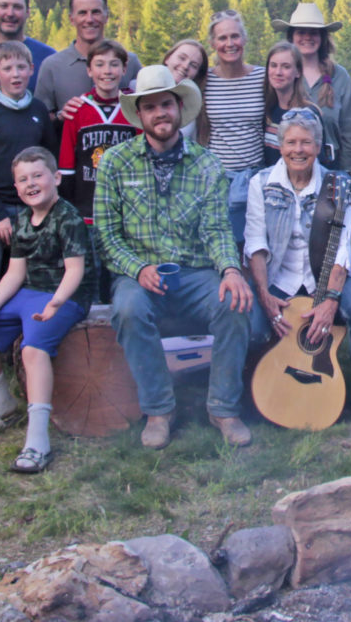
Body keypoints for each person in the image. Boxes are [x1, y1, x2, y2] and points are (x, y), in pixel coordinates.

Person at [94, 65, 254, 449]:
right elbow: (107, 236)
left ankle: (223, 407)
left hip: (195, 272)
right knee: (129, 310)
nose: (160, 113)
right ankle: (159, 409)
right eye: (150, 107)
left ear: (180, 108)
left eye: (166, 104)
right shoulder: (115, 163)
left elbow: (216, 230)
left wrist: (230, 269)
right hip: (138, 272)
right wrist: (138, 268)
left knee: (233, 302)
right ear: (141, 115)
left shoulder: (206, 164)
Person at [244, 108, 351, 422]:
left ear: (318, 147)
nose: (298, 150)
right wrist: (265, 296)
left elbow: (342, 252)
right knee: (251, 326)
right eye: (291, 142)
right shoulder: (261, 184)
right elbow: (256, 245)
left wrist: (331, 300)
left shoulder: (338, 185)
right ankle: (255, 393)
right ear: (280, 147)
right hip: (279, 277)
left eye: (306, 142)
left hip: (328, 275)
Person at [0, 147, 92, 474]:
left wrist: (56, 304)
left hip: (64, 296)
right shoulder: (22, 219)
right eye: (23, 179)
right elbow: (15, 273)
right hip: (28, 292)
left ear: (56, 178)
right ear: (16, 188)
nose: (31, 183)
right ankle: (2, 405)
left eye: (38, 175)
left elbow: (75, 271)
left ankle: (37, 441)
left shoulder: (68, 217)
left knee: (33, 350)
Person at [0, 41, 55, 312]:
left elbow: (50, 161)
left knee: (31, 281)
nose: (15, 75)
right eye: (7, 68)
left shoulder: (38, 111)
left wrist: (45, 209)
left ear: (31, 70)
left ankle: (19, 349)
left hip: (33, 210)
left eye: (21, 68)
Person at [198, 11, 266, 242]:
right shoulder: (204, 81)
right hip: (218, 179)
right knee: (224, 243)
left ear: (244, 39)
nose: (229, 44)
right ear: (213, 43)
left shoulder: (262, 77)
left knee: (256, 244)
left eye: (235, 37)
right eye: (222, 38)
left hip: (256, 177)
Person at [57, 40, 139, 225]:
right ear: (89, 70)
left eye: (114, 64)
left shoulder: (133, 109)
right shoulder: (77, 109)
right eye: (99, 64)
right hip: (85, 211)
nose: (107, 71)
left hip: (124, 212)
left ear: (124, 69)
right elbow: (66, 164)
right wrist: (69, 210)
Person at [273, 2, 351, 174]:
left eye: (314, 32)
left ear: (323, 37)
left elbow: (348, 136)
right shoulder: (280, 75)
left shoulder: (340, 77)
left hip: (330, 170)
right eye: (301, 32)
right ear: (291, 36)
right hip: (286, 171)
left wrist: (348, 178)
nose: (307, 37)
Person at [35, 0, 139, 123]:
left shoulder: (129, 62)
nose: (89, 19)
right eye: (82, 13)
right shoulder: (52, 66)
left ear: (106, 16)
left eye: (96, 12)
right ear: (71, 19)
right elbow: (39, 118)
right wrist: (60, 116)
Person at [259, 41, 311, 167]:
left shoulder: (306, 114)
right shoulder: (268, 111)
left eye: (286, 67)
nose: (278, 72)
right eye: (273, 65)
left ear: (298, 72)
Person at [0, 0, 56, 73]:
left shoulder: (47, 58)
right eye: (4, 6)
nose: (10, 13)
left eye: (17, 7)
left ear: (27, 12)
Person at [163, 39, 209, 140]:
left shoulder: (195, 106)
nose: (185, 66)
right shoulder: (138, 89)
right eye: (182, 58)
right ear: (168, 58)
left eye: (194, 65)